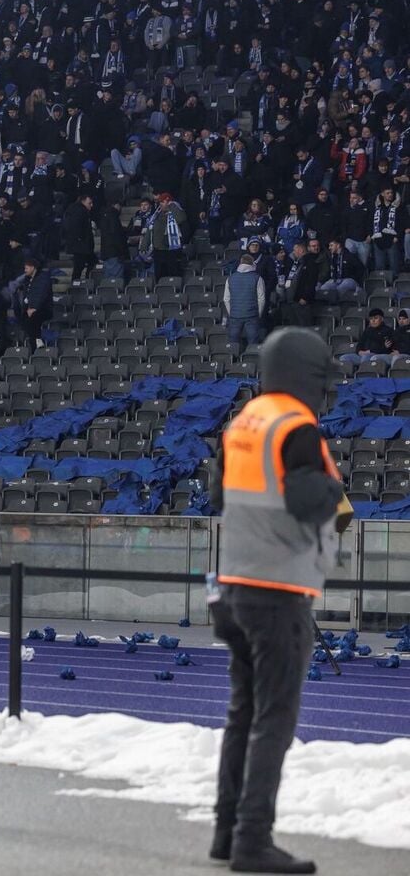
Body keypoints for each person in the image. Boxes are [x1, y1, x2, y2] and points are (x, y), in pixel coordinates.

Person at [208, 327, 345, 874]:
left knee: (243, 713)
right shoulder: (297, 426)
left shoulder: (244, 422)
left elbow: (221, 496)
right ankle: (252, 841)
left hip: (236, 586)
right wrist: (337, 488)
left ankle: (226, 831)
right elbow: (311, 502)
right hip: (280, 593)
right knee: (275, 719)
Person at [223, 254, 266, 353]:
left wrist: (232, 313)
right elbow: (261, 299)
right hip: (252, 315)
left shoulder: (230, 278)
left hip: (235, 315)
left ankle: (233, 363)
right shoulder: (257, 278)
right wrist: (258, 314)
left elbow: (226, 299)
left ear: (240, 263)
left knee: (233, 343)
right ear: (252, 264)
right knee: (253, 344)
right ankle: (251, 363)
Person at [12, 256, 52, 352]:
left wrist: (34, 308)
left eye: (26, 268)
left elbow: (40, 294)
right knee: (25, 320)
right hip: (29, 308)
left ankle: (36, 343)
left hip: (43, 309)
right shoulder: (27, 280)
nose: (25, 270)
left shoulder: (42, 278)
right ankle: (35, 342)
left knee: (32, 319)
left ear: (33, 267)